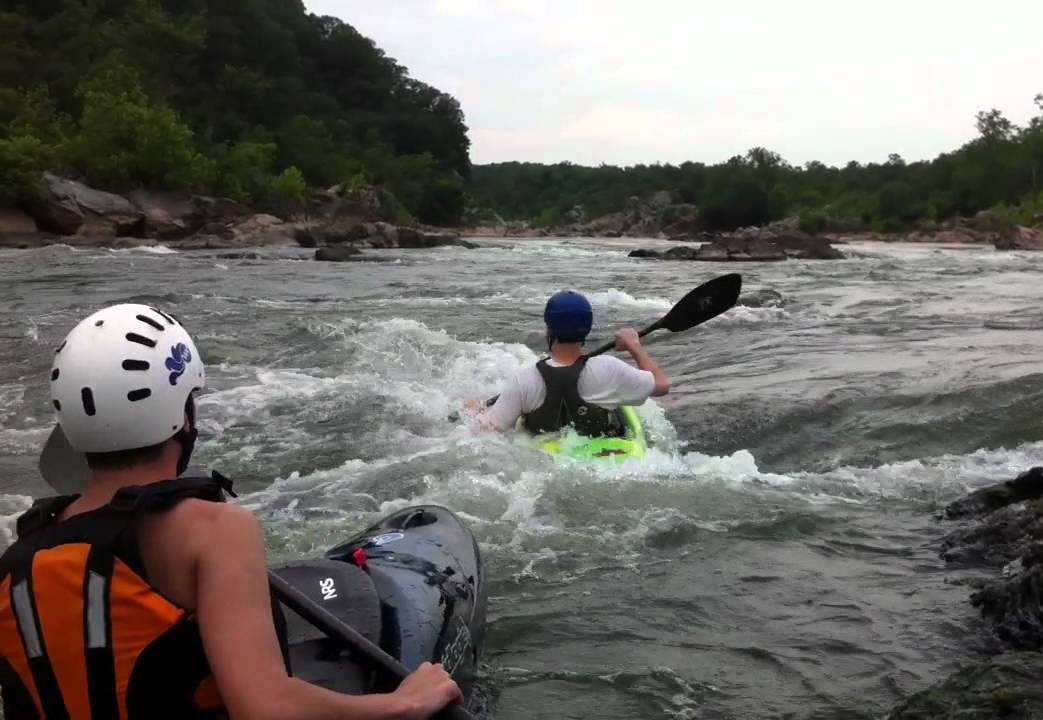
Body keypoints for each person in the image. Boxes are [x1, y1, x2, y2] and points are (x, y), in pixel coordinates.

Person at [0, 304, 460, 719]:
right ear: (183, 417)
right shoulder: (214, 529)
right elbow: (265, 710)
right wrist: (404, 703)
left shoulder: (19, 556)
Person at [475, 290, 670, 435]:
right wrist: (634, 346)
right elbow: (662, 385)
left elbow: (487, 433)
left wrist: (477, 411)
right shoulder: (610, 369)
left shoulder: (523, 381)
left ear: (549, 329)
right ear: (587, 328)